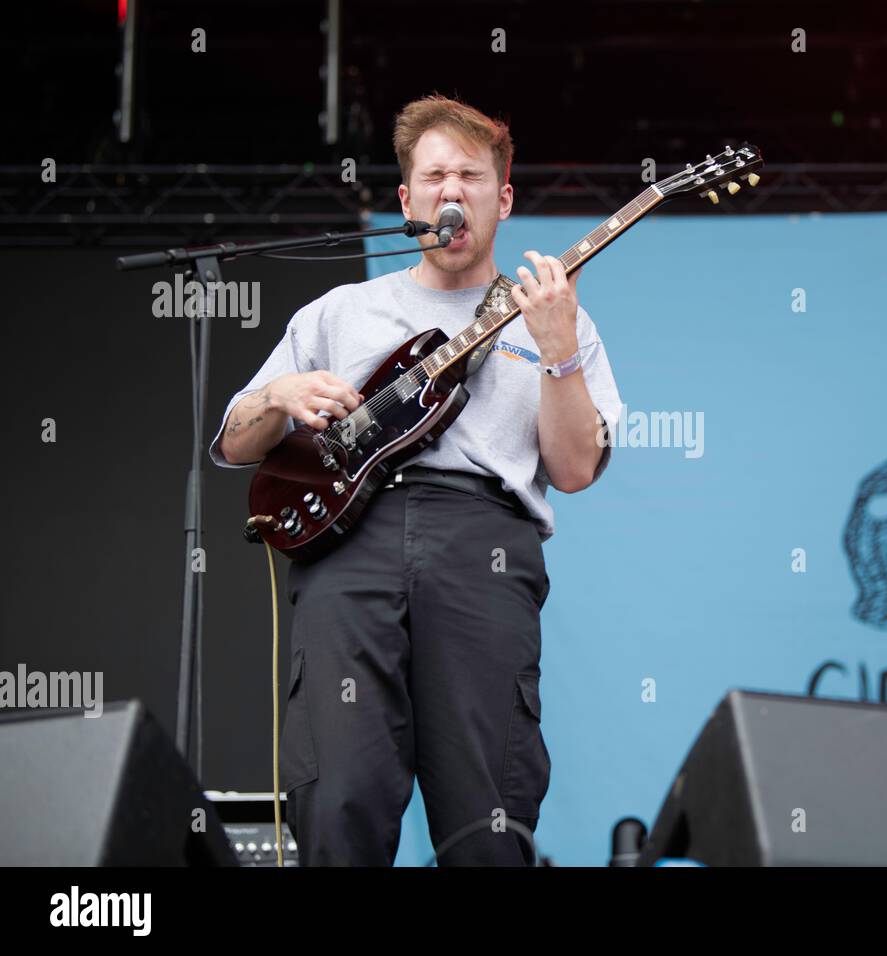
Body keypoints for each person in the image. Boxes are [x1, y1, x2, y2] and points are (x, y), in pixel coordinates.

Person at [209, 93, 622, 865]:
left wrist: (559, 349)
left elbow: (572, 469)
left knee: (487, 809)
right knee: (339, 793)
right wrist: (278, 397)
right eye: (433, 177)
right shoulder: (341, 311)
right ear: (406, 201)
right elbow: (234, 443)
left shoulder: (555, 318)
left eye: (470, 175)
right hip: (349, 547)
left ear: (502, 198)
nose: (451, 191)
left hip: (483, 549)